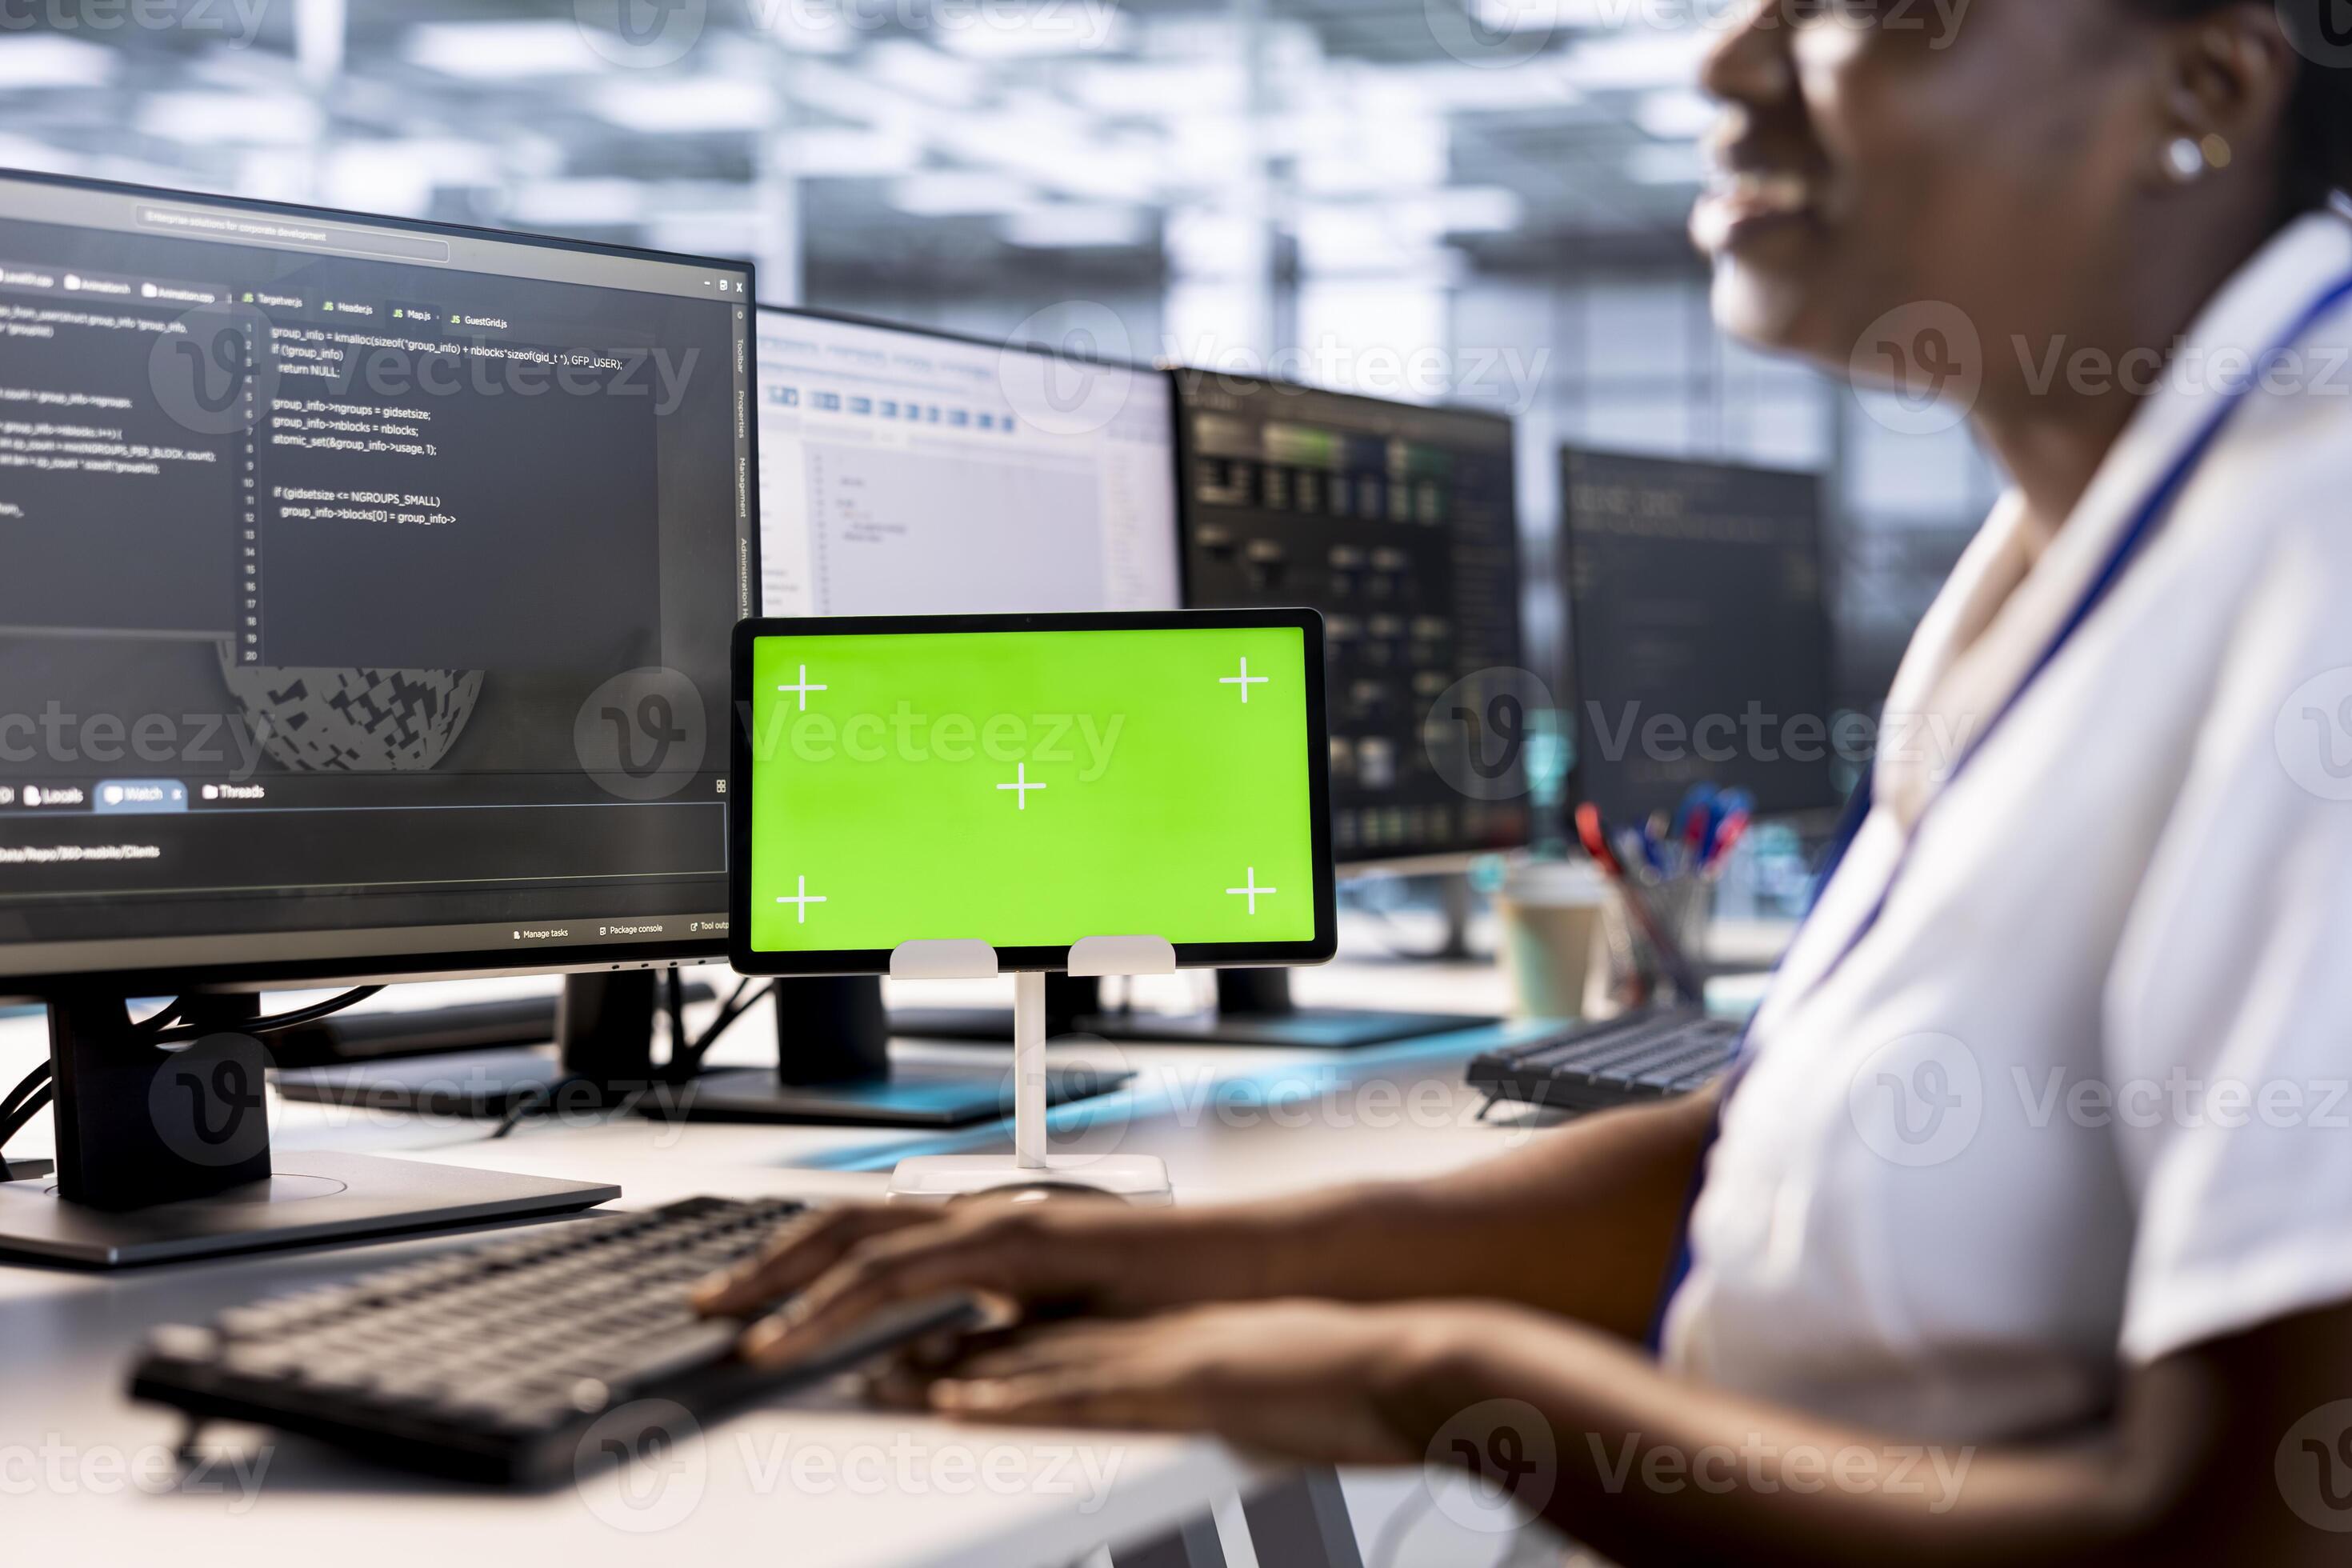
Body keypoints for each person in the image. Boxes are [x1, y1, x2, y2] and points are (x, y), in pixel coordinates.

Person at [698, 2, 2352, 1559]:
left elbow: (2249, 1529)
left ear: (2201, 92)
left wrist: (1422, 1379)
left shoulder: (2319, 557)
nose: (1727, 62)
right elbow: (1768, 1169)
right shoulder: (2094, 519)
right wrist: (1186, 1249)